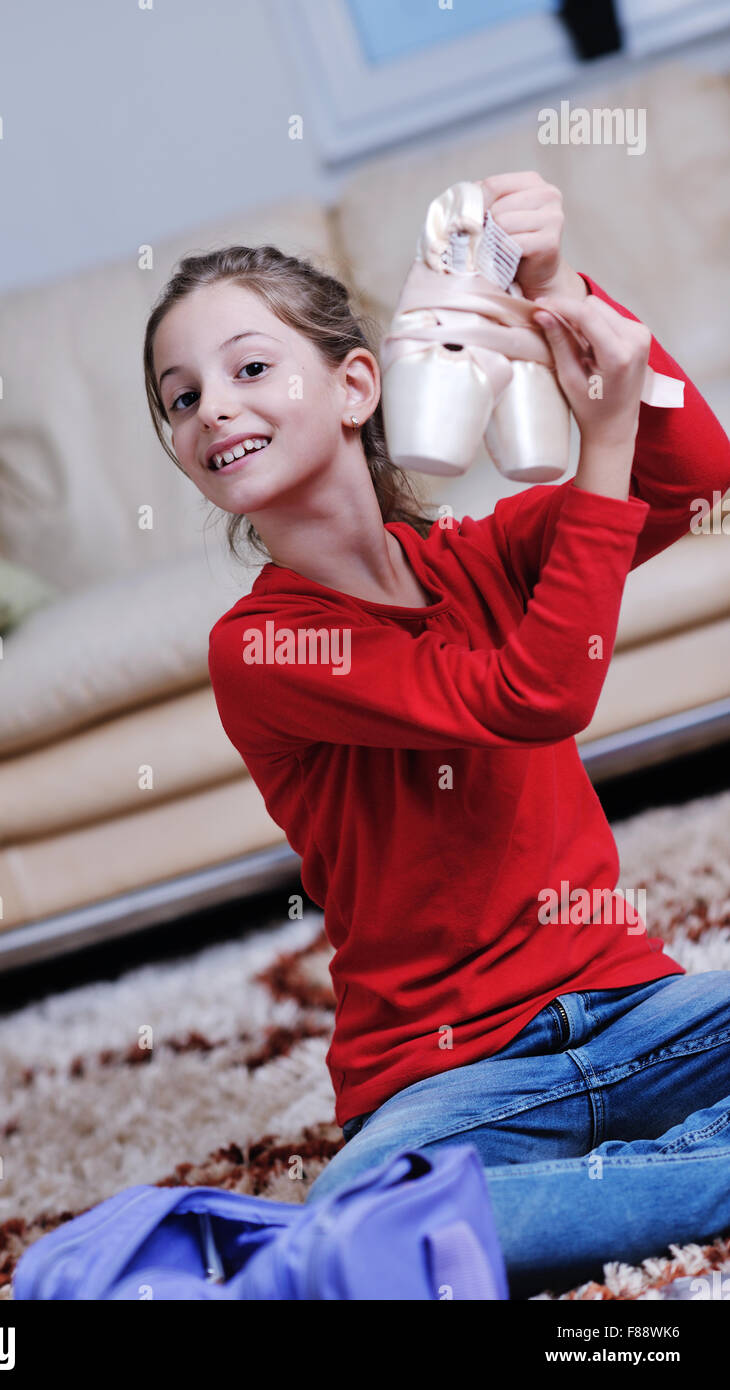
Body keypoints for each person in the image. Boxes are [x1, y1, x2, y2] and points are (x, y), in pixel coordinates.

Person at [142, 171, 730, 1298]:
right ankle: (682, 1176)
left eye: (248, 367)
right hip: (446, 1072)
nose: (210, 406)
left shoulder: (478, 554)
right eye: (179, 398)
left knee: (404, 1239)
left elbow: (696, 474)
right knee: (358, 1230)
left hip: (633, 1004)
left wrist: (555, 288)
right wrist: (594, 450)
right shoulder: (261, 648)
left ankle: (620, 1186)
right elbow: (532, 694)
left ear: (357, 383)